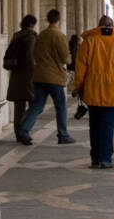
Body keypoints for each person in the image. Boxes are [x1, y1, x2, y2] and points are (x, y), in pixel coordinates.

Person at [72, 16, 114, 169]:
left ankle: (95, 157)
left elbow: (80, 68)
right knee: (107, 125)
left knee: (94, 125)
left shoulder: (88, 42)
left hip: (92, 90)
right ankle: (105, 158)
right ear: (113, 27)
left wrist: (78, 86)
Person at [17, 10, 75, 145]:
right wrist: (70, 58)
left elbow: (35, 55)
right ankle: (63, 134)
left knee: (37, 105)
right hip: (54, 77)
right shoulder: (59, 36)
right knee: (61, 106)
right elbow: (65, 58)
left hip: (39, 75)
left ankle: (23, 129)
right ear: (58, 20)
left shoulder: (41, 35)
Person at [6, 15, 38, 143]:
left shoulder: (16, 36)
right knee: (35, 104)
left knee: (19, 106)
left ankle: (18, 134)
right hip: (27, 76)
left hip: (16, 76)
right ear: (31, 24)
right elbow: (30, 58)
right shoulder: (30, 37)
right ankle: (24, 130)